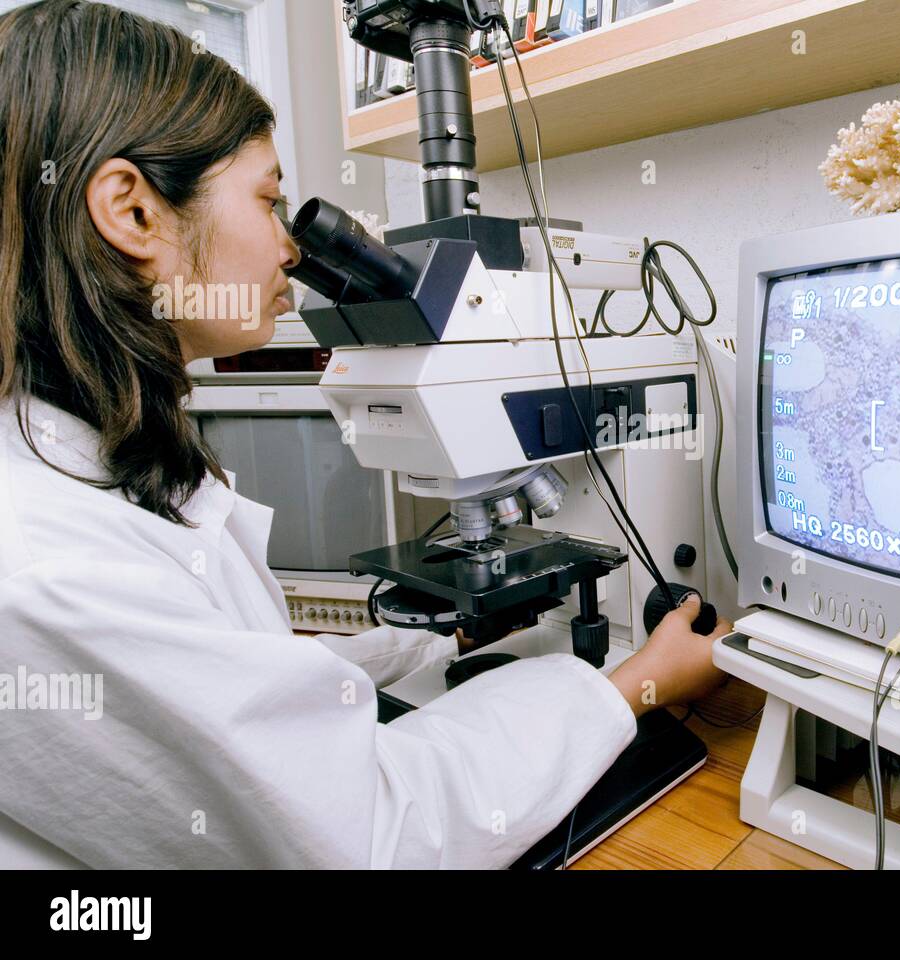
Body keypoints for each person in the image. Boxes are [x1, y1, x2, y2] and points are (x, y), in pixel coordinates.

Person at [0, 0, 731, 869]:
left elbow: (244, 684)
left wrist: (420, 642)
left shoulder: (70, 467)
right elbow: (375, 838)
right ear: (132, 212)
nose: (287, 248)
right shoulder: (57, 570)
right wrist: (632, 684)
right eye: (270, 200)